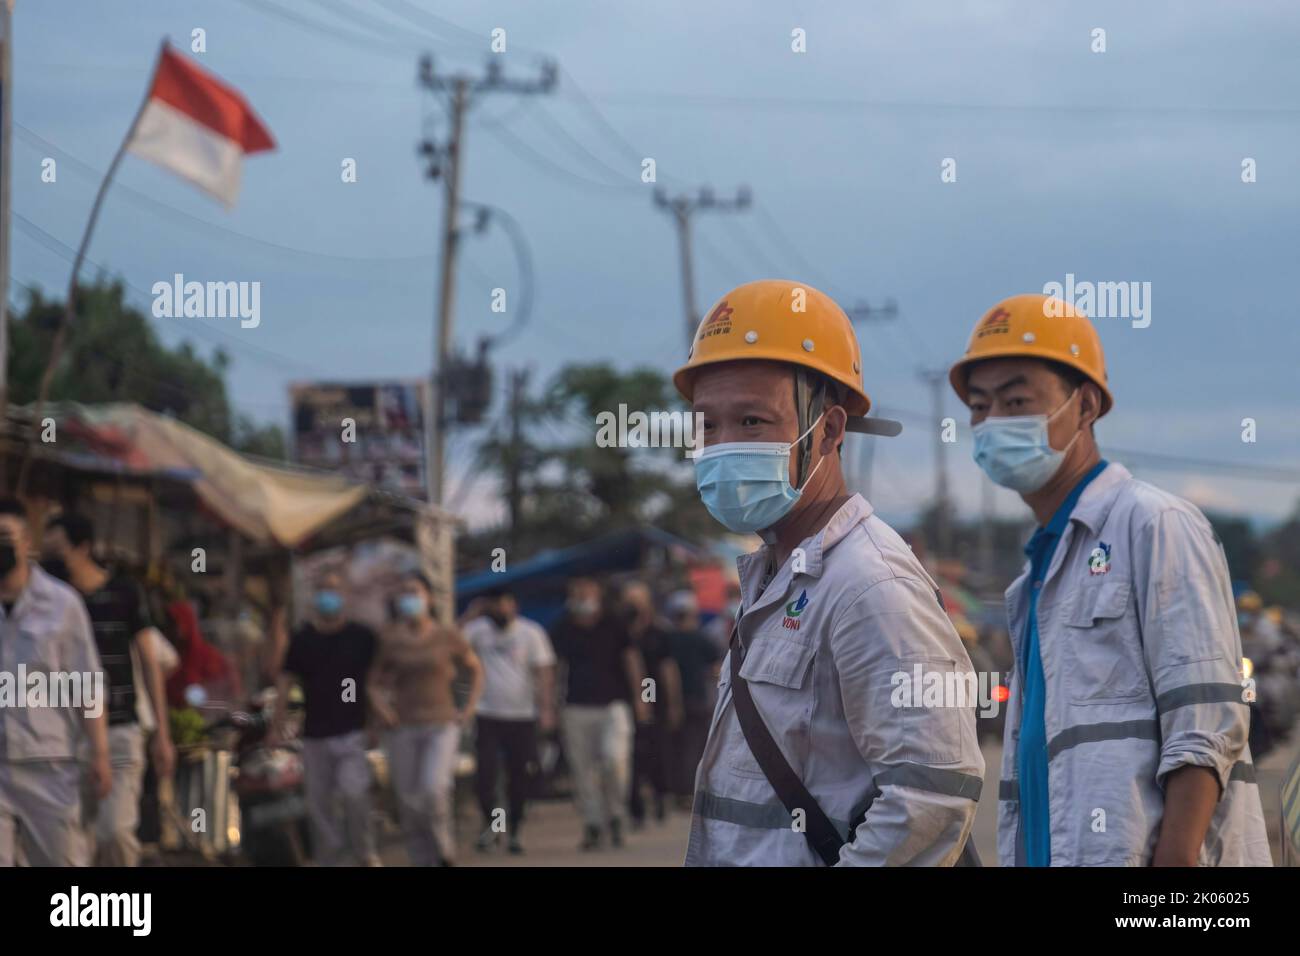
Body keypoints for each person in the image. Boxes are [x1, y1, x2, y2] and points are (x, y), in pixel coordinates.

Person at [949, 292, 1270, 866]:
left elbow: (1204, 723)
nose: (993, 421)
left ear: (1086, 404)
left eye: (1017, 399)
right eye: (979, 406)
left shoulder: (1154, 525)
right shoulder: (1034, 575)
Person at [675, 280, 984, 866]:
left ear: (830, 430)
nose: (721, 446)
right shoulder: (774, 577)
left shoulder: (873, 584)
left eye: (751, 422)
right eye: (707, 425)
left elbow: (930, 796)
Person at [41, 513, 175, 867]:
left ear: (83, 548)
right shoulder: (51, 602)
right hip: (65, 737)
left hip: (119, 730)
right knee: (73, 840)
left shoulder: (124, 592)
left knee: (113, 832)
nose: (51, 561)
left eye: (58, 551)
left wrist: (163, 733)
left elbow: (150, 663)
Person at [0, 498, 110, 866]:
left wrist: (100, 753)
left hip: (47, 764)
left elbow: (88, 683)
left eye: (5, 536)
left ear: (26, 542)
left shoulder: (63, 605)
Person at [369, 572, 482, 866]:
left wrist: (468, 707)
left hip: (441, 725)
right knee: (408, 799)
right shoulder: (389, 638)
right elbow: (369, 682)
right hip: (402, 728)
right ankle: (422, 859)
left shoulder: (447, 635)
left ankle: (444, 852)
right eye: (404, 593)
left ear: (429, 597)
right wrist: (383, 709)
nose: (410, 598)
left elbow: (475, 669)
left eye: (415, 592)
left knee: (433, 789)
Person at [271, 567, 380, 866]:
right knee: (319, 805)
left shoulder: (362, 637)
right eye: (323, 590)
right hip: (315, 735)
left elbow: (373, 683)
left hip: (352, 732)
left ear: (345, 596)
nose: (328, 596)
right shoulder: (302, 639)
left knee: (355, 794)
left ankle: (364, 853)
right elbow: (285, 682)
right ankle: (328, 858)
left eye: (334, 589)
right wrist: (276, 725)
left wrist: (376, 721)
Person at [549, 577, 649, 850]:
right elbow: (555, 668)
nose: (582, 598)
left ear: (598, 595)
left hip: (614, 706)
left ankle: (616, 814)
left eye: (587, 592)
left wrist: (641, 699)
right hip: (575, 708)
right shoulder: (563, 628)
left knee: (615, 760)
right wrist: (549, 707)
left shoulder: (614, 624)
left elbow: (632, 661)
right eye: (577, 593)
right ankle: (593, 823)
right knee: (582, 771)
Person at [461, 587, 556, 855]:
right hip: (487, 714)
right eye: (493, 605)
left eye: (503, 604)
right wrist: (468, 616)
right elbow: (450, 646)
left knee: (519, 775)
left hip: (522, 716)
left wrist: (546, 708)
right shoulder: (477, 630)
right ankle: (491, 824)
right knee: (486, 774)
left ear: (514, 605)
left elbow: (544, 672)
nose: (499, 610)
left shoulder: (531, 633)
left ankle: (514, 829)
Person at [622, 581, 681, 828]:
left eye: (639, 599)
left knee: (657, 751)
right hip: (625, 701)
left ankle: (660, 797)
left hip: (654, 697)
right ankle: (635, 808)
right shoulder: (621, 633)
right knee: (631, 755)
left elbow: (669, 668)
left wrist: (674, 703)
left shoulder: (660, 632)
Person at [663, 590, 722, 807]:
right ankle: (690, 792)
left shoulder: (667, 639)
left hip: (670, 703)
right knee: (694, 747)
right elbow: (717, 668)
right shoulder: (701, 639)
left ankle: (677, 791)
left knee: (676, 747)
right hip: (696, 700)